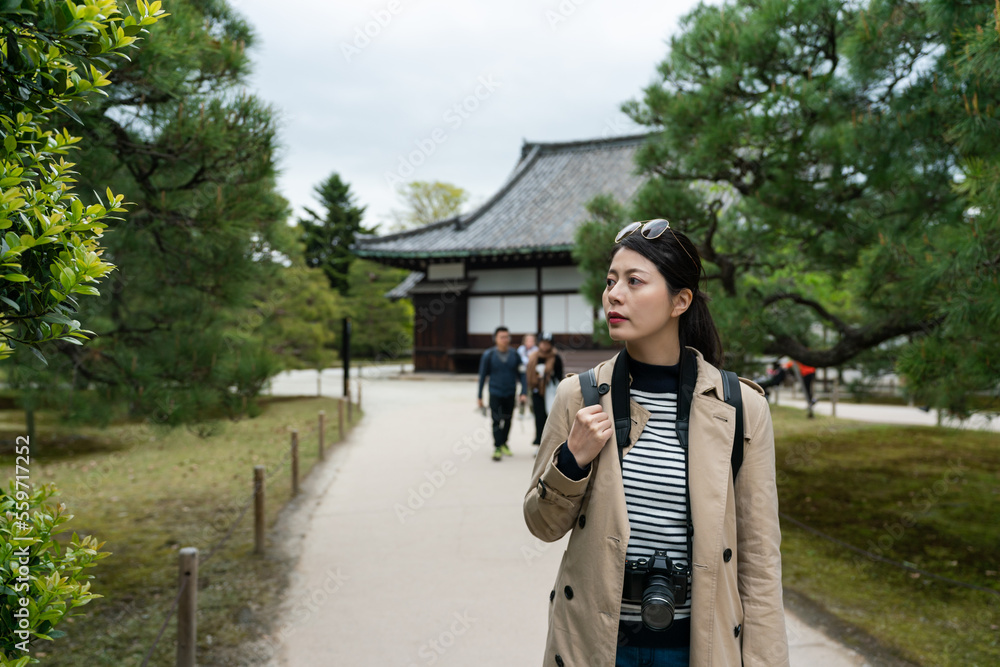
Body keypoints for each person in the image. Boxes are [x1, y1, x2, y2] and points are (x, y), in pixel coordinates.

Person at [523, 219, 789, 667]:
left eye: (633, 281)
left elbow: (760, 558)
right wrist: (571, 461)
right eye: (610, 282)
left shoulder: (741, 406)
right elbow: (541, 524)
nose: (613, 294)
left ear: (679, 301)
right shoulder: (579, 396)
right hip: (596, 643)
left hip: (697, 647)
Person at [477, 326, 528, 461]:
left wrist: (523, 391)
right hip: (495, 391)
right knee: (495, 419)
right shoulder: (489, 355)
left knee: (508, 419)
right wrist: (479, 396)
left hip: (510, 392)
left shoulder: (515, 355)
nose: (505, 340)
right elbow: (482, 376)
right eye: (502, 337)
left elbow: (522, 374)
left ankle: (504, 442)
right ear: (495, 339)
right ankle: (497, 446)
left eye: (507, 337)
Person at [526, 332, 564, 447]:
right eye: (543, 343)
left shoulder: (556, 358)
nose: (545, 346)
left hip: (550, 392)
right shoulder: (534, 357)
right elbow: (529, 374)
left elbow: (559, 376)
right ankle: (539, 443)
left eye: (547, 344)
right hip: (537, 391)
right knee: (539, 417)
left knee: (551, 418)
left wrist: (549, 376)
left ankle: (551, 444)